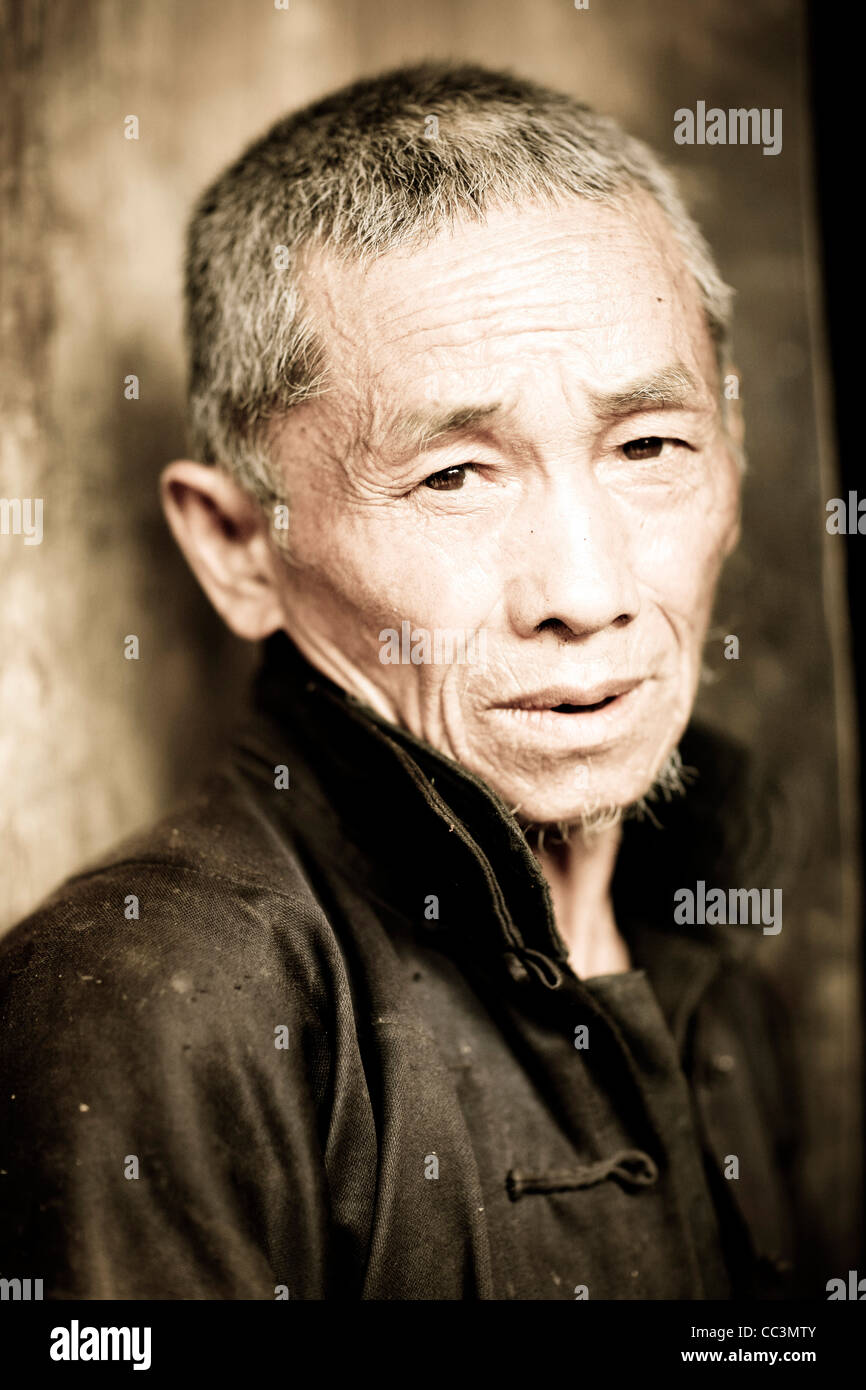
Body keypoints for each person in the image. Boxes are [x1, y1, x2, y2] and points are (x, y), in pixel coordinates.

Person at [0, 63, 803, 1300]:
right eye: (453, 476)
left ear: (733, 460)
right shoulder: (148, 1007)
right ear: (238, 547)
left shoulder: (705, 902)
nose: (585, 593)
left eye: (648, 446)